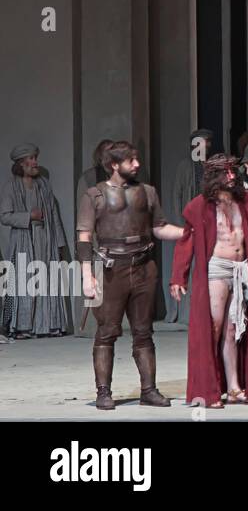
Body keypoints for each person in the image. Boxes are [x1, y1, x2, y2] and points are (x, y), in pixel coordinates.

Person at [77, 141, 185, 409]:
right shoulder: (94, 195)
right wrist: (87, 276)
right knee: (106, 332)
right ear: (114, 164)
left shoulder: (148, 192)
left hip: (143, 267)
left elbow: (159, 228)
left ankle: (149, 390)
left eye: (137, 159)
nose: (137, 164)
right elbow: (84, 238)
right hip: (110, 269)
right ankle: (104, 393)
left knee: (144, 332)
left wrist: (188, 233)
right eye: (130, 160)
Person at [170, 155, 248, 407]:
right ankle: (209, 389)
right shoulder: (200, 206)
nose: (231, 176)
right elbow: (186, 242)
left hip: (241, 269)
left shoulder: (246, 202)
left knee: (233, 330)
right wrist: (178, 277)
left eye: (232, 172)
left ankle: (235, 387)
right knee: (213, 329)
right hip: (217, 269)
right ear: (213, 177)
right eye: (225, 173)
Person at [2, 144, 70, 338]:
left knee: (47, 281)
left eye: (35, 158)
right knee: (25, 283)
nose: (35, 162)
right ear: (21, 164)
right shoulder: (11, 186)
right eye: (31, 159)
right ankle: (23, 327)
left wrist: (60, 244)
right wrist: (28, 216)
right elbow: (4, 216)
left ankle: (49, 325)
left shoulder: (44, 185)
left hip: (46, 239)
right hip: (23, 240)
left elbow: (54, 215)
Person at [167, 129, 214, 324]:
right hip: (189, 222)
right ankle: (187, 314)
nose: (204, 146)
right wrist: (181, 225)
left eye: (207, 142)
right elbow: (177, 196)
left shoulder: (211, 166)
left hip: (208, 223)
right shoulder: (185, 166)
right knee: (187, 265)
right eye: (200, 142)